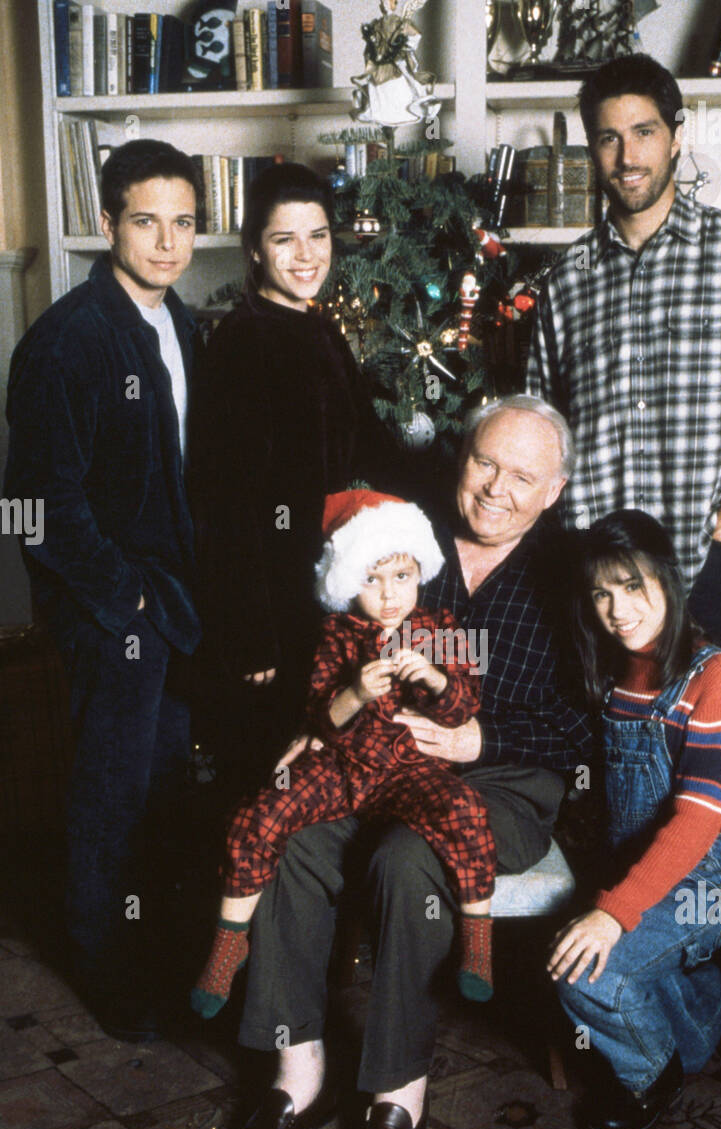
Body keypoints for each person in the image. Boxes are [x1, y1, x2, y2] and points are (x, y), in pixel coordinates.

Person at [526, 53, 721, 1074]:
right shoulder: (561, 284)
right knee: (620, 770)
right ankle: (647, 949)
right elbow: (539, 435)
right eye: (606, 137)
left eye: (642, 132)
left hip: (711, 562)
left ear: (675, 132)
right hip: (609, 587)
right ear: (588, 147)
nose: (624, 155)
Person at [220, 395, 591, 1129]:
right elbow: (333, 652)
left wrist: (479, 741)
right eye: (484, 462)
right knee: (290, 833)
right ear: (461, 457)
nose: (496, 488)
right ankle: (298, 1071)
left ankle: (396, 1093)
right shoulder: (402, 544)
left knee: (407, 858)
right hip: (379, 762)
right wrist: (317, 731)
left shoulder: (570, 574)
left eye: (522, 476)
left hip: (503, 780)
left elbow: (585, 726)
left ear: (554, 490)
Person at [3, 140, 203, 1041]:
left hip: (172, 610)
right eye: (146, 221)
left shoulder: (183, 324)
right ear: (107, 223)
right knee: (108, 796)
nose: (167, 242)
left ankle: (156, 955)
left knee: (162, 792)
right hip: (113, 616)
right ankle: (105, 968)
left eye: (184, 222)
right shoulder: (70, 338)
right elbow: (26, 509)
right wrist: (121, 601)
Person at [191, 490, 500, 1017]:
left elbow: (464, 706)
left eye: (401, 578)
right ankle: (228, 943)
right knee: (257, 813)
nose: (387, 596)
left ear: (420, 574)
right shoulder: (335, 633)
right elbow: (320, 718)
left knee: (465, 811)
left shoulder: (446, 629)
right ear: (345, 583)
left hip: (411, 770)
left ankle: (476, 945)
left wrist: (430, 675)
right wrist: (356, 692)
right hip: (341, 768)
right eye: (370, 580)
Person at [189, 162, 406, 800]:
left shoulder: (316, 328)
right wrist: (249, 626)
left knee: (318, 771)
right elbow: (220, 498)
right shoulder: (242, 341)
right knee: (271, 779)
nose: (306, 255)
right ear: (254, 248)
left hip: (319, 585)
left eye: (318, 236)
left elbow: (370, 442)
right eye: (285, 240)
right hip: (270, 605)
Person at [550, 510, 721, 1129]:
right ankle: (694, 1011)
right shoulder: (614, 672)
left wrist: (613, 912)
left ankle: (650, 1077)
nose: (618, 609)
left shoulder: (717, 676)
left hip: (705, 878)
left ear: (669, 581)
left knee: (589, 972)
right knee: (626, 987)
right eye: (602, 594)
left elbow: (695, 824)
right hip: (636, 861)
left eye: (632, 586)